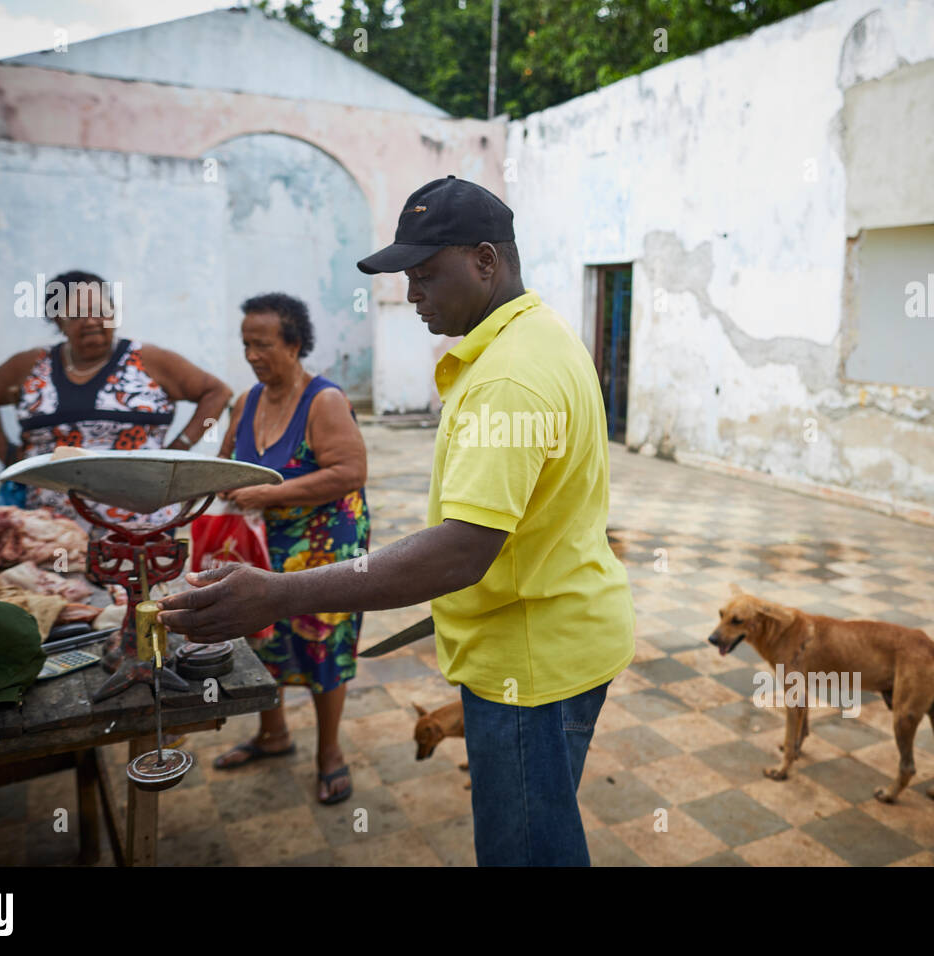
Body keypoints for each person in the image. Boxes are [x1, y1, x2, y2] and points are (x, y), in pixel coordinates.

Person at [159, 176, 635, 866]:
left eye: (424, 275)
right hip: (563, 630)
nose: (411, 295)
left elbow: (459, 553)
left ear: (484, 259)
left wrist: (277, 593)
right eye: (407, 278)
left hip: (533, 659)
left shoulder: (508, 378)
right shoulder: (541, 333)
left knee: (526, 853)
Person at [210, 293, 370, 806]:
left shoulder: (324, 400)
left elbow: (349, 473)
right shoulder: (246, 400)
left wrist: (268, 493)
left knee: (321, 642)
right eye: (246, 345)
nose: (253, 355)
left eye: (263, 344)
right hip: (261, 544)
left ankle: (330, 753)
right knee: (263, 638)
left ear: (295, 344)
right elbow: (225, 464)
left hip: (323, 546)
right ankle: (273, 735)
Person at [0, 271, 231, 527]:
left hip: (141, 528)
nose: (92, 321)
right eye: (78, 314)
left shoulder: (150, 360)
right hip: (51, 530)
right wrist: (6, 452)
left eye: (100, 310)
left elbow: (217, 393)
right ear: (58, 321)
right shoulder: (30, 365)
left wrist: (180, 448)